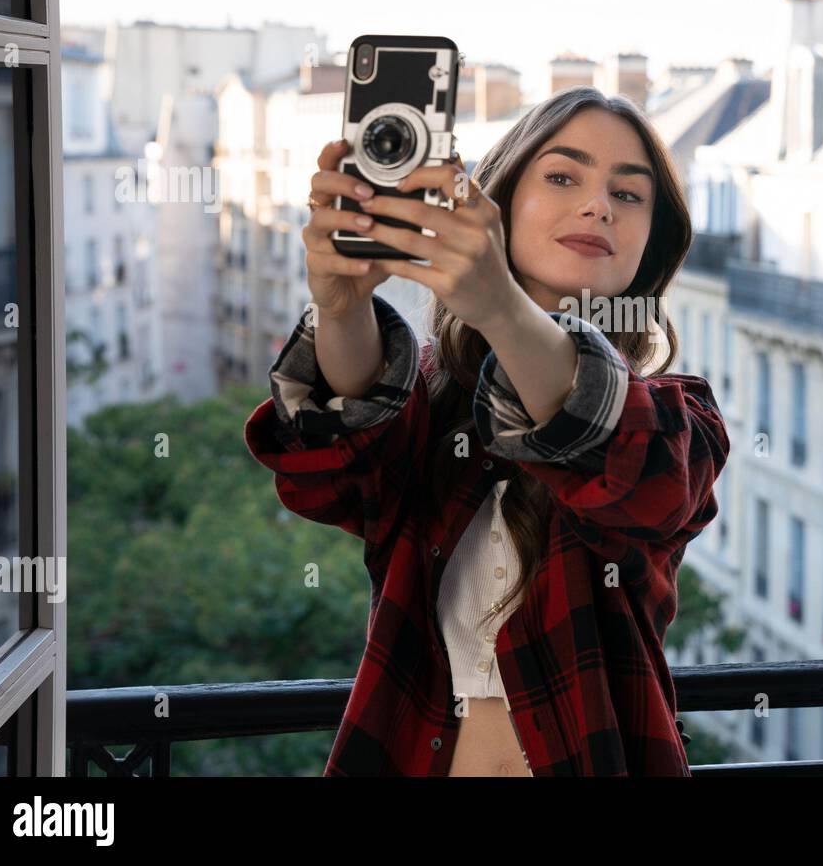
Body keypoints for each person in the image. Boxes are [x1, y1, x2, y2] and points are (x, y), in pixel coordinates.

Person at [243, 85, 730, 776]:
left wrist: (499, 303)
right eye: (562, 177)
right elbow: (329, 467)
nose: (598, 205)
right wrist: (342, 306)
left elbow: (636, 473)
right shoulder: (429, 402)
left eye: (628, 194)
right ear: (500, 201)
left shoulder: (679, 418)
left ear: (652, 245)